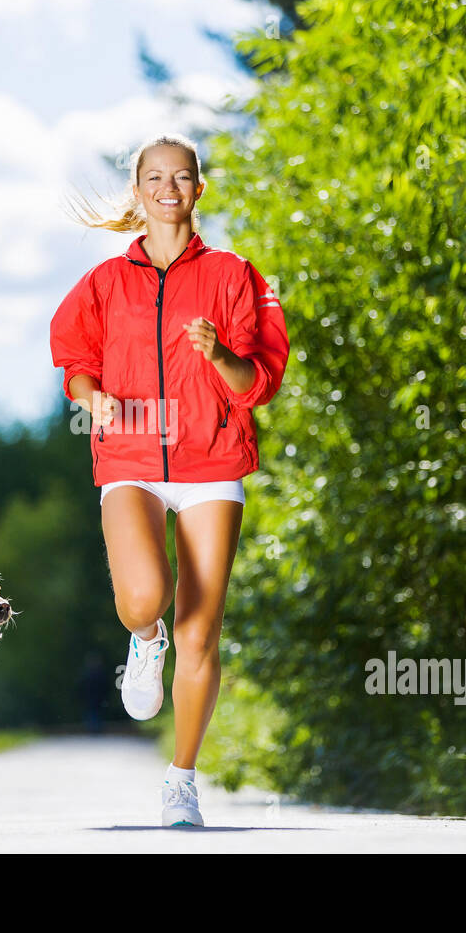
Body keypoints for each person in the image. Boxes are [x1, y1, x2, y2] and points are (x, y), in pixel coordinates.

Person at [49, 132, 290, 826]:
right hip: (129, 456)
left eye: (181, 176)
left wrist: (219, 356)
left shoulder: (235, 276)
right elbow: (76, 359)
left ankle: (181, 779)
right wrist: (92, 397)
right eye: (154, 177)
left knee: (202, 630)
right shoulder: (105, 281)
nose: (167, 188)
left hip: (211, 460)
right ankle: (142, 639)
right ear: (138, 190)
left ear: (198, 188)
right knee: (144, 600)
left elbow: (258, 384)